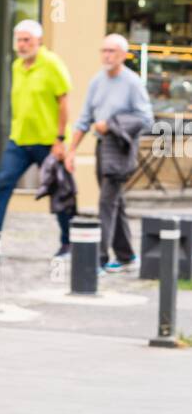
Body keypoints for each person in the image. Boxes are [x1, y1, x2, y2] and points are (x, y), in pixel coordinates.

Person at [65, 33, 153, 272]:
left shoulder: (133, 82)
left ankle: (99, 259)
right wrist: (71, 151)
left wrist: (113, 124)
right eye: (103, 50)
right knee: (116, 202)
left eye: (112, 51)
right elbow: (84, 119)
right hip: (102, 147)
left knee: (106, 202)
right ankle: (126, 256)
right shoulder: (96, 81)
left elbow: (146, 119)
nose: (107, 55)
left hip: (121, 148)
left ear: (123, 55)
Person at [0, 20, 72, 256]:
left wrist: (60, 139)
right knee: (3, 183)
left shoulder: (51, 64)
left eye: (27, 40)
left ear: (38, 41)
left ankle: (68, 241)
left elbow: (63, 103)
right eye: (19, 40)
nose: (22, 45)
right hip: (20, 139)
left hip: (48, 141)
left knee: (58, 190)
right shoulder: (16, 66)